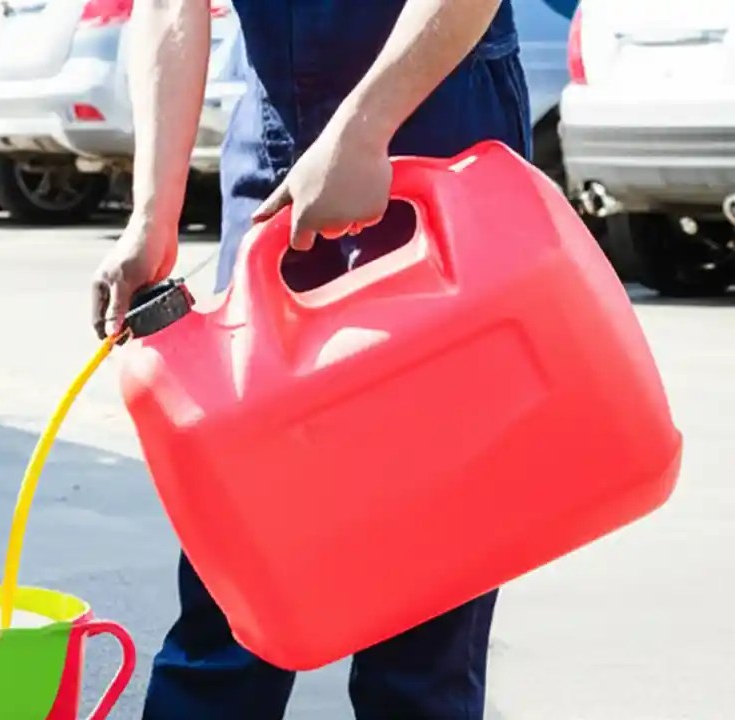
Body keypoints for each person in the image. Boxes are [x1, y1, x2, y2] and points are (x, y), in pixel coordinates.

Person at [89, 0, 531, 718]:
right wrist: (153, 212)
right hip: (278, 128)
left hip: (438, 106)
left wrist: (364, 128)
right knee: (238, 580)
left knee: (425, 591)